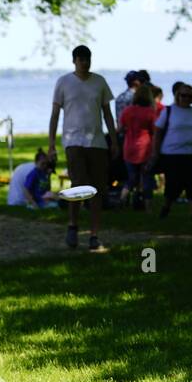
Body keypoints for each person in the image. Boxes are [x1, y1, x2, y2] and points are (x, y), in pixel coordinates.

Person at [48, 44, 118, 252]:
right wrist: (52, 144)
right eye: (81, 59)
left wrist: (114, 140)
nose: (85, 63)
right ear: (74, 61)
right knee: (78, 184)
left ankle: (94, 234)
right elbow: (55, 115)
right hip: (73, 141)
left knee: (97, 189)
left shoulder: (100, 82)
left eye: (87, 59)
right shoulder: (64, 82)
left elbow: (107, 113)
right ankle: (73, 225)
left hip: (96, 142)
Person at [151, 82, 192, 218]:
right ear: (177, 96)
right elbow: (158, 132)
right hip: (172, 154)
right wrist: (155, 152)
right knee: (173, 183)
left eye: (190, 96)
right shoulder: (169, 111)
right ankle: (166, 206)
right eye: (183, 95)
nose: (186, 98)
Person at [120, 84, 159, 211]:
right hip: (145, 148)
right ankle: (148, 208)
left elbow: (120, 128)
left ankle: (122, 199)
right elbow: (155, 131)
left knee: (131, 178)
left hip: (129, 148)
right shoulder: (150, 112)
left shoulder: (127, 111)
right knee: (146, 178)